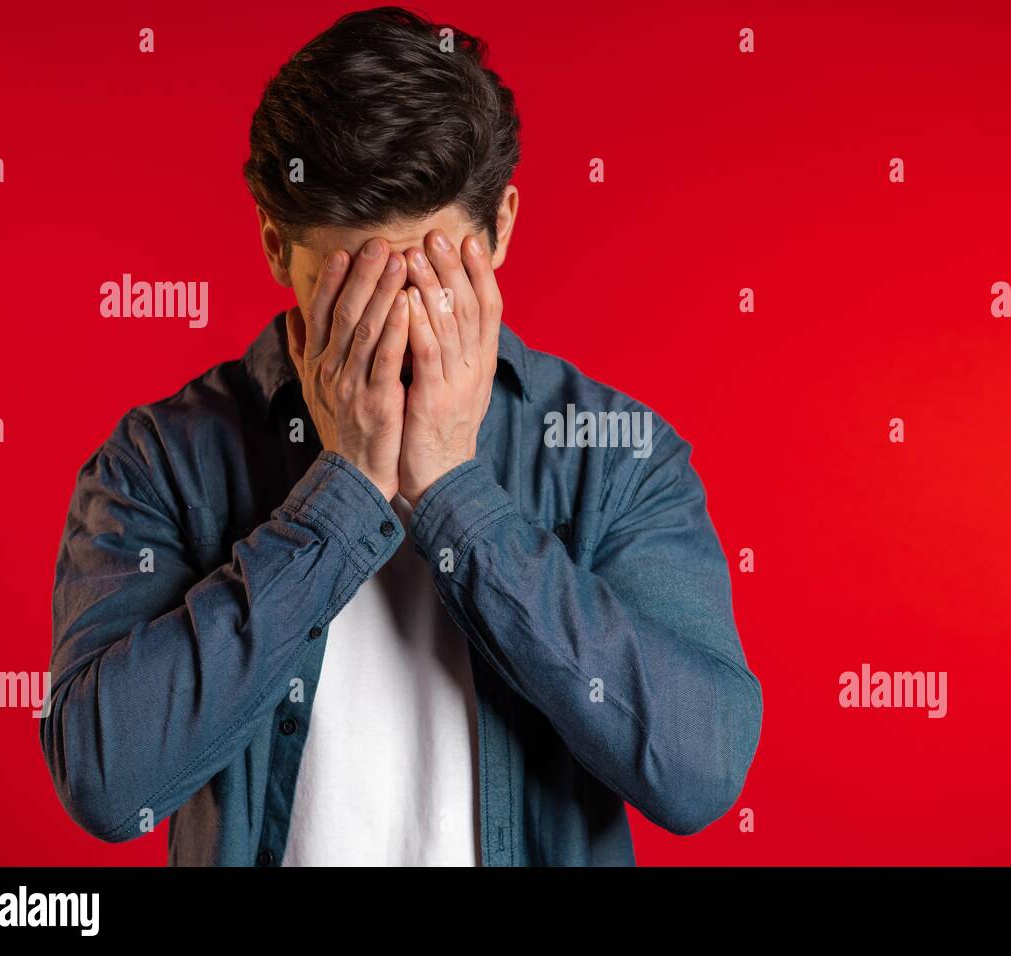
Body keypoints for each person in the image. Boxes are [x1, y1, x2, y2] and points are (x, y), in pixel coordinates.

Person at [41, 5, 762, 866]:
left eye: (431, 275)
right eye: (359, 290)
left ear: (501, 232)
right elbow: (109, 784)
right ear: (278, 247)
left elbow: (699, 772)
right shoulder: (161, 460)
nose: (400, 328)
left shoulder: (610, 453)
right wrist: (343, 492)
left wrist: (458, 496)